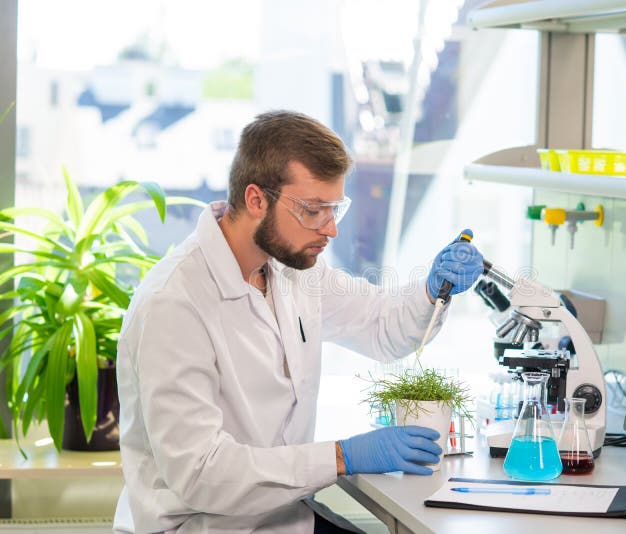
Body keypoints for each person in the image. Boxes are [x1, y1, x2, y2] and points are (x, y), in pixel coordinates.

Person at [113, 110, 484, 533]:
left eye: (335, 209)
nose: (331, 230)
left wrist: (434, 290)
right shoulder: (174, 303)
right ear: (256, 200)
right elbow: (201, 472)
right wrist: (342, 456)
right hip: (202, 525)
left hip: (284, 517)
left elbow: (381, 327)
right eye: (313, 210)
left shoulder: (294, 270)